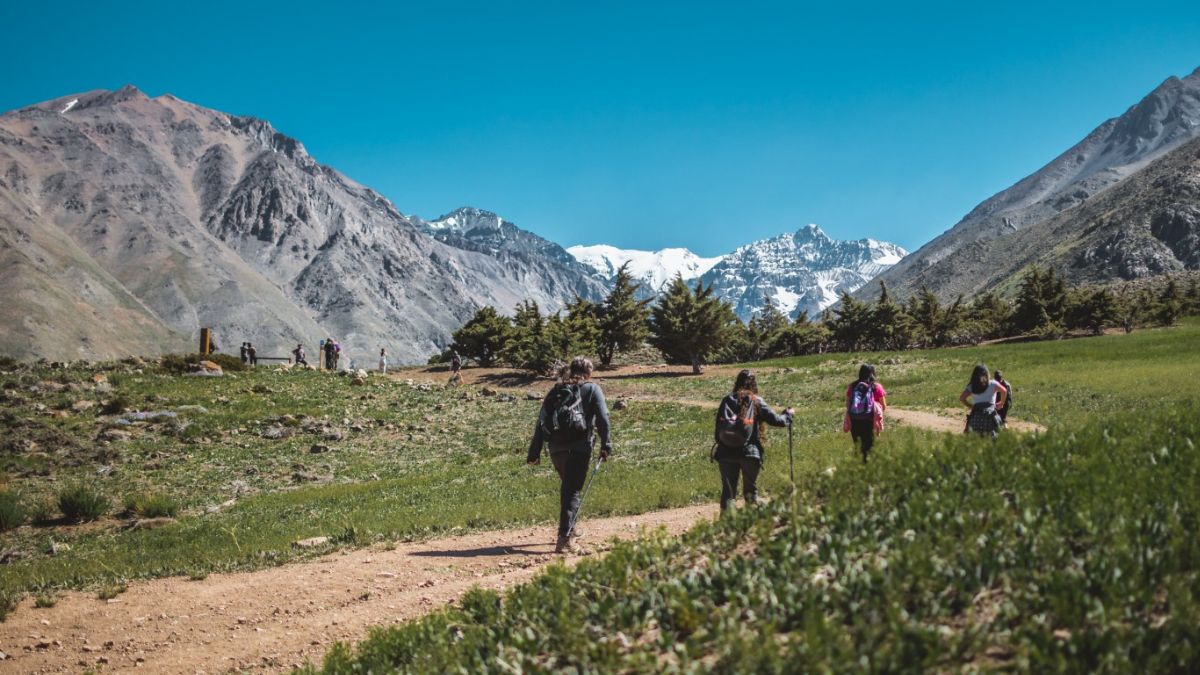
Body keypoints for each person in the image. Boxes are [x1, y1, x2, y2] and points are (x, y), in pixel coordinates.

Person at [527, 357, 612, 554]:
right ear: (589, 373)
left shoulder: (556, 390)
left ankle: (571, 529)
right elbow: (603, 417)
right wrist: (606, 444)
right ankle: (564, 539)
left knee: (569, 489)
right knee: (572, 491)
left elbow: (541, 422)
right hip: (579, 448)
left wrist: (534, 452)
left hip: (556, 449)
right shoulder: (592, 389)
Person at [712, 370, 793, 511]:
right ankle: (755, 525)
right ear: (754, 384)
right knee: (750, 494)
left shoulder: (726, 400)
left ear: (737, 382)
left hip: (726, 454)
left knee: (728, 493)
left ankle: (727, 528)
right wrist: (788, 415)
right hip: (750, 453)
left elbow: (718, 429)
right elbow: (778, 421)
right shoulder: (756, 400)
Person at [843, 364, 887, 463]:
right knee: (870, 446)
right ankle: (870, 469)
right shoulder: (876, 387)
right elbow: (883, 405)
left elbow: (848, 404)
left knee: (858, 446)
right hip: (870, 420)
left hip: (855, 419)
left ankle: (859, 468)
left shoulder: (853, 386)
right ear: (872, 373)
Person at [961, 364, 1007, 438]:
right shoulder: (992, 384)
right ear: (987, 373)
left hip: (976, 418)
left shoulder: (972, 386)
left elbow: (962, 398)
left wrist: (971, 406)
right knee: (997, 437)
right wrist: (1001, 403)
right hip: (990, 417)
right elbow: (1004, 391)